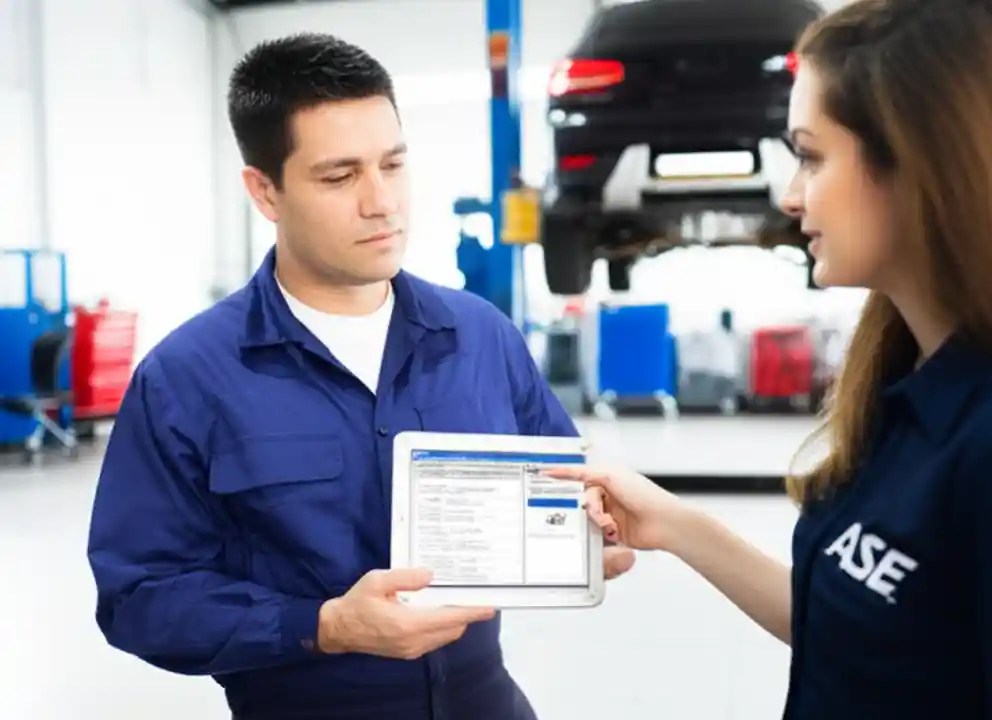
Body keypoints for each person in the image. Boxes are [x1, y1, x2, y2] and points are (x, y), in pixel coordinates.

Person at [553, 1, 992, 718]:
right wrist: (676, 527)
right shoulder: (910, 384)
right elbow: (861, 630)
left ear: (921, 164)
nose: (792, 196)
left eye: (810, 155)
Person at [86, 33, 633, 720]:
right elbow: (139, 597)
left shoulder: (482, 338)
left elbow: (564, 495)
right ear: (265, 191)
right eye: (340, 176)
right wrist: (324, 625)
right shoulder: (187, 379)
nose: (382, 203)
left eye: (393, 165)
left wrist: (588, 542)